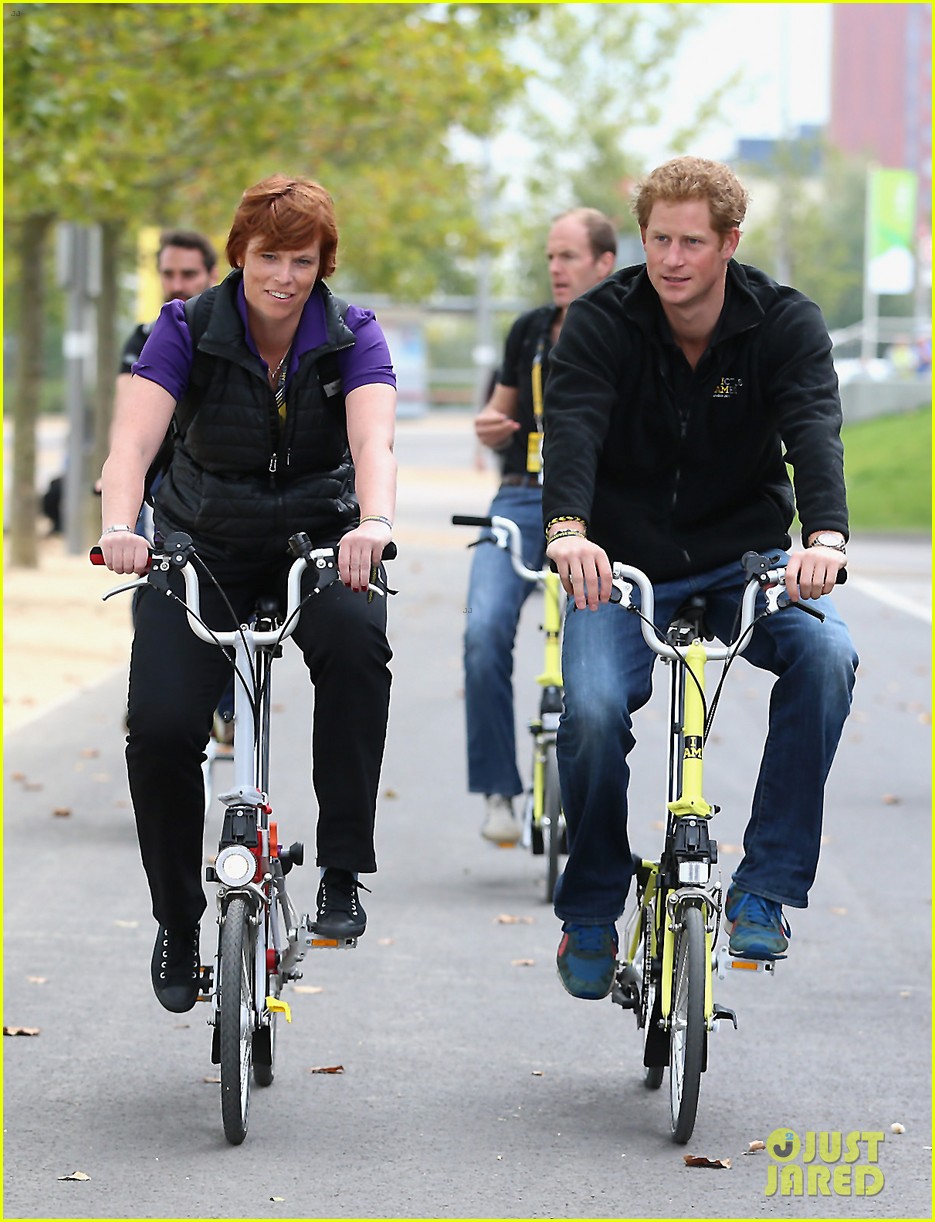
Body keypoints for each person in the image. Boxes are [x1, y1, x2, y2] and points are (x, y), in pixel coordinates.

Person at [541, 156, 858, 1000]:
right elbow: (572, 428)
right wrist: (568, 531)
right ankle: (591, 906)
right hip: (620, 567)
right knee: (592, 710)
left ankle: (764, 888)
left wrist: (822, 537)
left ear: (728, 243)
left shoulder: (783, 321)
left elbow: (812, 427)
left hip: (744, 561)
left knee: (827, 657)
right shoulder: (601, 320)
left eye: (690, 242)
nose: (671, 259)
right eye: (657, 240)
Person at [98, 175, 397, 1013]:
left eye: (302, 260)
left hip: (318, 542)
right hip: (202, 543)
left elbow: (374, 441)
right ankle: (176, 918)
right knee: (161, 729)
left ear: (322, 263)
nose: (284, 277)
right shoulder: (186, 327)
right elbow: (132, 444)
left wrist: (373, 523)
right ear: (240, 255)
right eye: (269, 257)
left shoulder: (352, 334)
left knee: (356, 646)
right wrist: (123, 524)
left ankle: (342, 869)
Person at [463, 208, 617, 845]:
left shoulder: (628, 327)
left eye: (568, 256)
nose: (556, 268)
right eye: (551, 257)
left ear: (605, 263)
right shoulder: (529, 330)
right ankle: (499, 791)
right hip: (523, 497)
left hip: (601, 505)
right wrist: (490, 426)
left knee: (598, 657)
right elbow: (493, 416)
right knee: (483, 628)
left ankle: (589, 807)